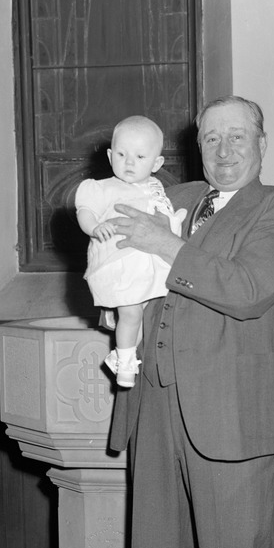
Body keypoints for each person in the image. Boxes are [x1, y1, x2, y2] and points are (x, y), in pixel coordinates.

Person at [98, 96, 274, 548]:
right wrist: (114, 295)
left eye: (237, 136)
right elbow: (126, 257)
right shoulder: (177, 197)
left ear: (261, 143)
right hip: (158, 401)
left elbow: (247, 291)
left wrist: (162, 244)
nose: (223, 150)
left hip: (231, 413)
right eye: (212, 138)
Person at [75, 115, 187, 387]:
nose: (129, 162)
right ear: (111, 155)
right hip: (119, 261)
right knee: (132, 313)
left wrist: (173, 222)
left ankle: (120, 354)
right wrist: (93, 228)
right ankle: (125, 364)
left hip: (148, 265)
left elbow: (163, 219)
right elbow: (85, 211)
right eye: (122, 154)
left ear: (156, 163)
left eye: (139, 156)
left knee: (140, 314)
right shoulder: (102, 187)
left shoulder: (156, 188)